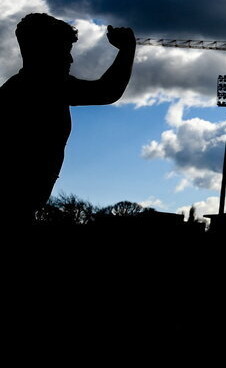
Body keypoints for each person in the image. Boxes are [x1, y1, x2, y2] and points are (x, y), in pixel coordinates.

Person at [0, 13, 136, 226]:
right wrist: (127, 49)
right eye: (65, 51)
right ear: (43, 51)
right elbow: (107, 91)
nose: (70, 59)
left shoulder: (26, 86)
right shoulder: (40, 87)